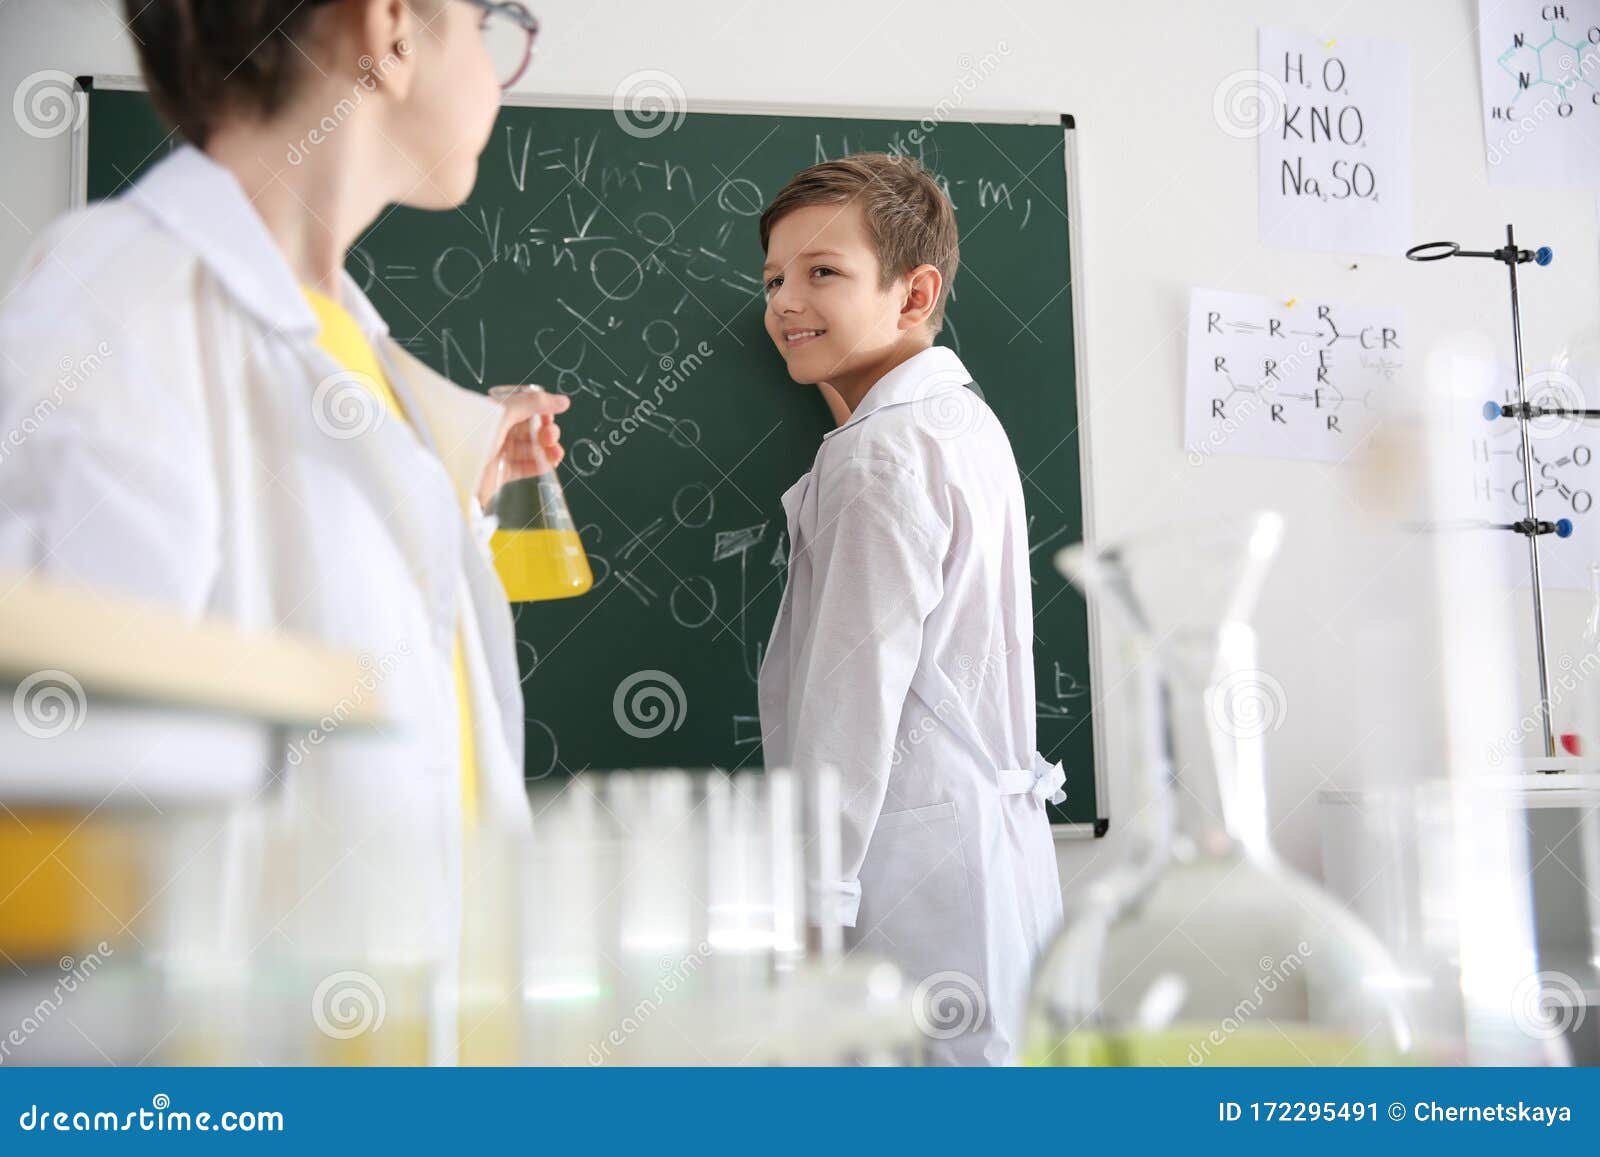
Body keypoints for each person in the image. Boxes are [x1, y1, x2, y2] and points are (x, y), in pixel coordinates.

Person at [0, 0, 562, 1059]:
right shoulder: (121, 301)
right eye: (493, 23)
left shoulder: (350, 344)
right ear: (390, 28)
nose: (501, 71)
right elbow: (54, 859)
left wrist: (454, 505)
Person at [756, 153, 1066, 1065]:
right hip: (981, 853)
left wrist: (811, 914)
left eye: (823, 272)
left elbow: (852, 704)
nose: (783, 301)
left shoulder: (878, 455)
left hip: (902, 881)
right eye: (774, 276)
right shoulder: (959, 420)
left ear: (914, 291)